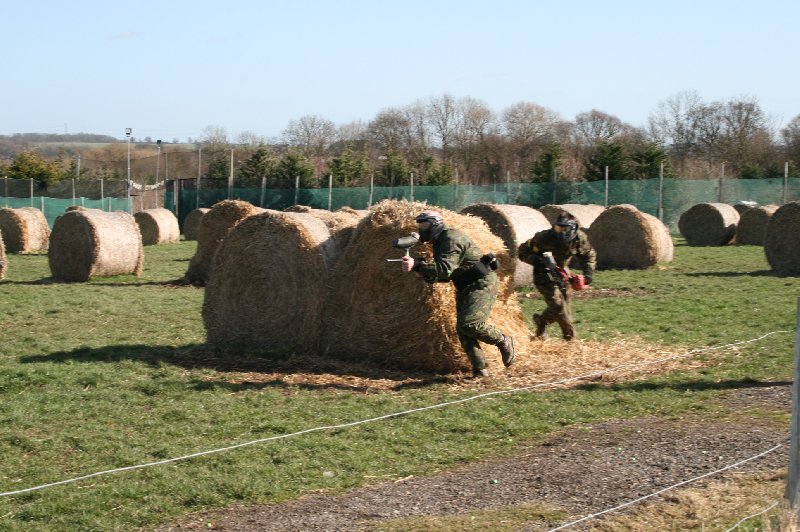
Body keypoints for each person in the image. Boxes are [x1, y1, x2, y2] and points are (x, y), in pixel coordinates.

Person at [400, 210, 516, 378]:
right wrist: (423, 271)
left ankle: (503, 340)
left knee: (471, 324)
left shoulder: (450, 238)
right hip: (465, 285)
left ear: (435, 225)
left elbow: (445, 270)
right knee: (463, 329)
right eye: (420, 225)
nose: (421, 229)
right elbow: (446, 274)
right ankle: (481, 371)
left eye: (424, 225)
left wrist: (417, 266)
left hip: (481, 283)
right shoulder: (440, 242)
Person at [517, 212, 597, 341]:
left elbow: (589, 255)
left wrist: (588, 274)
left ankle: (541, 322)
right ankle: (570, 340)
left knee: (562, 307)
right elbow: (522, 251)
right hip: (543, 274)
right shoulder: (543, 237)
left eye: (563, 228)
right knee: (559, 307)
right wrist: (538, 259)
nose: (559, 232)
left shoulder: (578, 239)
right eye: (557, 228)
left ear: (572, 228)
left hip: (563, 273)